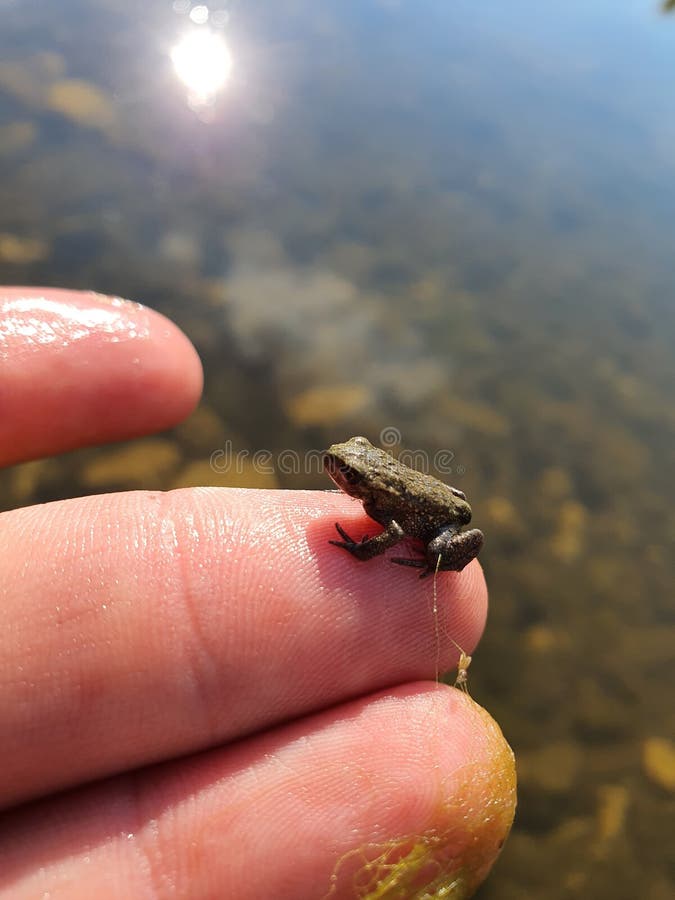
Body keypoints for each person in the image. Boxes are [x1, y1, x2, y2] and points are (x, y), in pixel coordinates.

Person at [0, 288, 515, 898]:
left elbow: (401, 530)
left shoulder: (383, 504)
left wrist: (371, 553)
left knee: (433, 548)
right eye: (347, 467)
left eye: (349, 473)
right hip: (440, 503)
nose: (337, 470)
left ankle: (435, 561)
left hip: (447, 525)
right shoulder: (375, 493)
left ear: (365, 483)